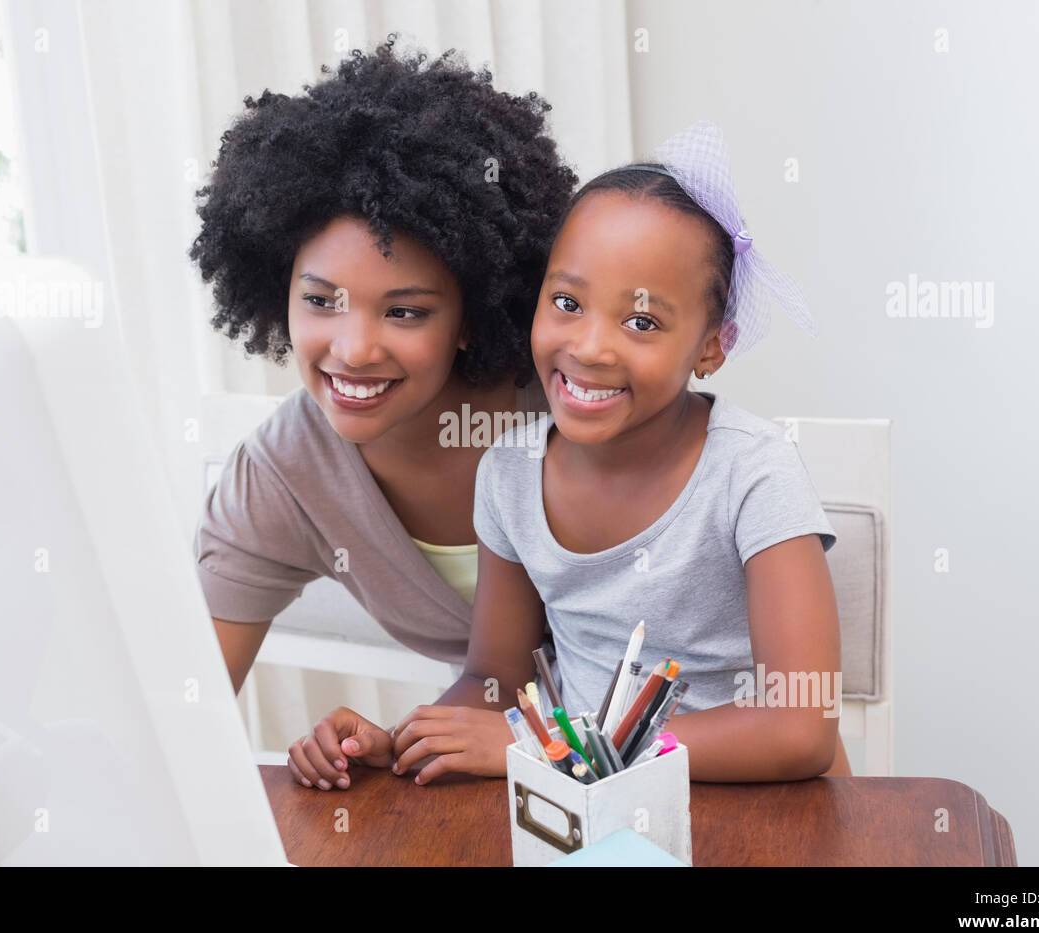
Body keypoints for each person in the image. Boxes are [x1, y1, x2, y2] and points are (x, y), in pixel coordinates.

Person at [389, 122, 853, 783]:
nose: (591, 347)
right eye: (568, 302)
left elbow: (798, 731)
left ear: (712, 346)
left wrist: (570, 753)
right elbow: (494, 679)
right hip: (597, 809)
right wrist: (408, 744)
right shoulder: (510, 476)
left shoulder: (755, 474)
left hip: (762, 807)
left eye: (641, 322)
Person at [187, 36, 577, 791]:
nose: (354, 350)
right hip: (529, 795)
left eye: (404, 311)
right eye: (320, 300)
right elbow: (178, 706)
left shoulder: (573, 406)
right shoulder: (283, 479)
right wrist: (397, 746)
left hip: (696, 769)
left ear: (471, 313)